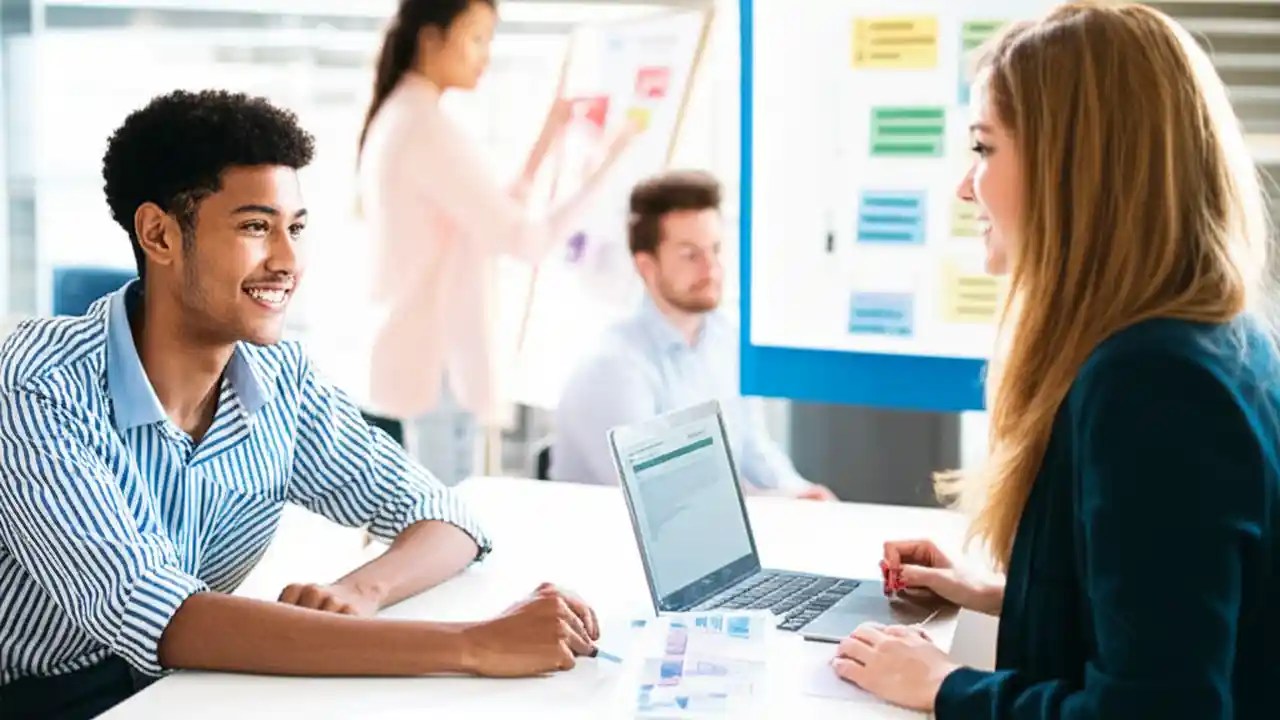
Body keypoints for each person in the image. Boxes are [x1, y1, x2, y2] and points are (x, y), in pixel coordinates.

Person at [0, 90, 602, 720]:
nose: (288, 261)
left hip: (180, 689)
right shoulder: (37, 386)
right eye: (255, 227)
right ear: (159, 235)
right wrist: (475, 644)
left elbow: (443, 518)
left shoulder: (277, 375)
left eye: (297, 228)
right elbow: (158, 615)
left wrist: (358, 591)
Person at [831, 3, 1280, 717]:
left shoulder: (1153, 382)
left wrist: (947, 686)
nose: (964, 185)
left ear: (1073, 168)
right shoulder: (1209, 339)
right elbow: (1177, 618)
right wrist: (1005, 592)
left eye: (984, 149)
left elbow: (1157, 708)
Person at [356, 0, 638, 481]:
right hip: (438, 366)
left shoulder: (404, 115)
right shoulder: (426, 128)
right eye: (476, 38)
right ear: (431, 39)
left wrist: (548, 139)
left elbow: (485, 215)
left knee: (430, 526)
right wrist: (607, 166)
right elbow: (523, 240)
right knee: (445, 529)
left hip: (421, 356)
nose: (485, 55)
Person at [553, 171, 837, 501]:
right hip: (620, 544)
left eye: (715, 249)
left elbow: (754, 449)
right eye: (691, 255)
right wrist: (775, 504)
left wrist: (800, 494)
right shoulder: (612, 368)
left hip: (707, 539)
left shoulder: (726, 340)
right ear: (647, 266)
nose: (712, 269)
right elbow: (659, 498)